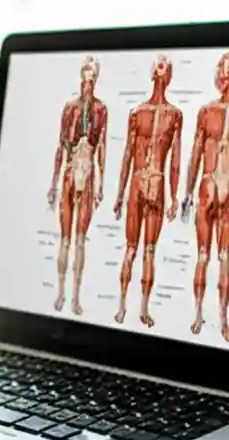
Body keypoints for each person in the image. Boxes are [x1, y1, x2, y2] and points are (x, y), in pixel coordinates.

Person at [181, 51, 229, 342]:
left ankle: (212, 317)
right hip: (221, 183)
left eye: (224, 69)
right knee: (216, 256)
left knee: (213, 256)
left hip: (215, 184)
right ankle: (207, 316)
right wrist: (188, 192)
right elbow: (197, 154)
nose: (221, 74)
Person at [112, 55, 181, 328]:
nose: (160, 68)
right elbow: (127, 154)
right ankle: (122, 306)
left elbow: (175, 158)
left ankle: (141, 308)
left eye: (165, 64)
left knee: (148, 249)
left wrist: (175, 196)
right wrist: (119, 195)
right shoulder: (137, 112)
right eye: (158, 64)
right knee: (132, 248)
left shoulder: (175, 115)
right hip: (140, 181)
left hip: (154, 181)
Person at [46, 55, 107, 316]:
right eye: (86, 73)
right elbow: (61, 145)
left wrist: (102, 182)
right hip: (71, 172)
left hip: (88, 174)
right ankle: (61, 292)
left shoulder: (101, 110)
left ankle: (76, 298)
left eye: (92, 75)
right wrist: (53, 182)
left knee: (80, 239)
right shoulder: (70, 108)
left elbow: (102, 145)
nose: (88, 80)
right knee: (66, 238)